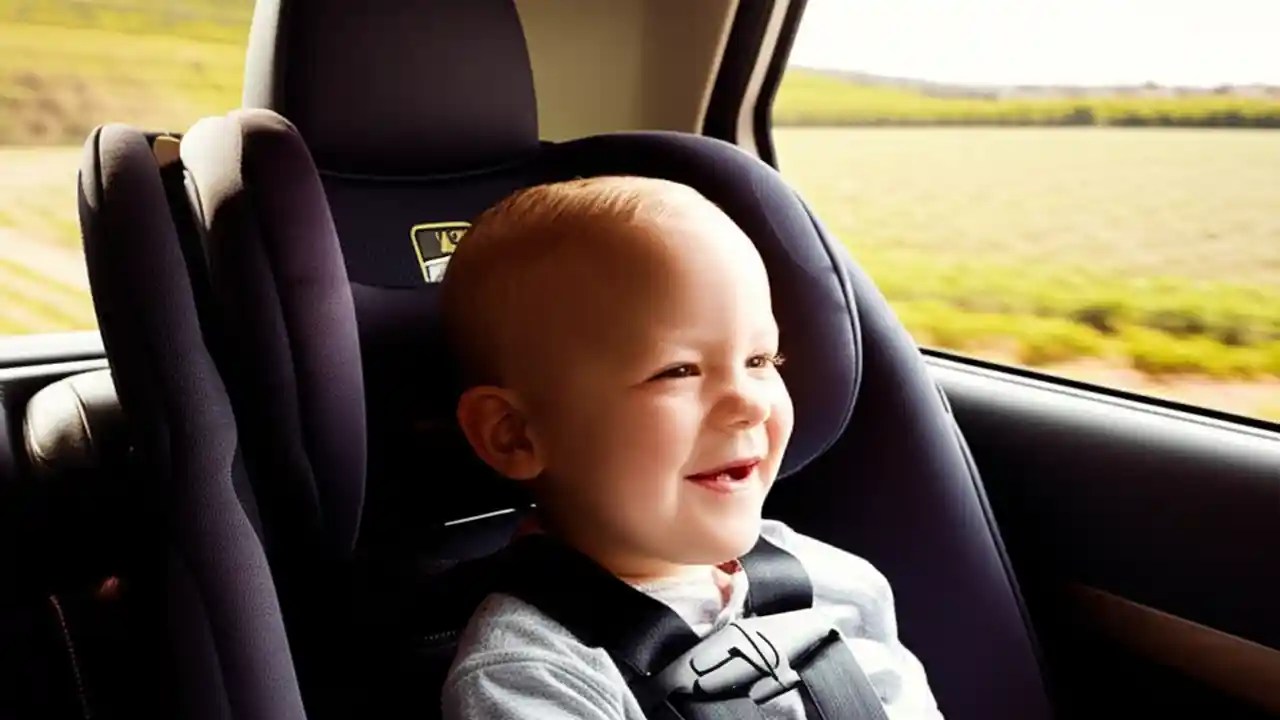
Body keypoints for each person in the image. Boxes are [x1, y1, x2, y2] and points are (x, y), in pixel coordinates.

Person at [438, 176, 942, 719]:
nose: (750, 404)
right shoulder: (535, 676)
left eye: (760, 361)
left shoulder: (838, 584)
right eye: (678, 371)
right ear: (515, 433)